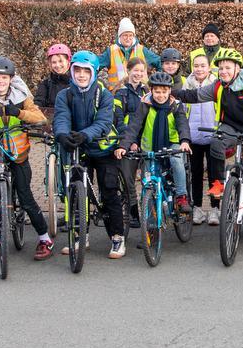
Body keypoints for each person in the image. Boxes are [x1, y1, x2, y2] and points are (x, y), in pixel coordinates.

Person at [173, 48, 243, 248]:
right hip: (230, 128)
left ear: (237, 69)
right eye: (221, 68)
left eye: (227, 68)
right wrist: (168, 92)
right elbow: (193, 95)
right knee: (216, 141)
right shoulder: (217, 87)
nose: (223, 71)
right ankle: (219, 183)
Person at [0, 56, 54, 262]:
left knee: (25, 196)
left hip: (18, 155)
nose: (0, 82)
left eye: (4, 78)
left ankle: (44, 238)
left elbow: (40, 118)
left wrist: (19, 112)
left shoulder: (21, 95)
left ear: (11, 79)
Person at [53, 51, 127, 259]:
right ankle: (80, 234)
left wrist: (86, 134)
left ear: (93, 73)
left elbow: (104, 122)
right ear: (72, 71)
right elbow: (61, 118)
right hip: (78, 147)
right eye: (78, 70)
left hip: (102, 147)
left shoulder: (104, 94)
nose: (82, 75)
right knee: (75, 194)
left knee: (109, 191)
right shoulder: (64, 95)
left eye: (86, 71)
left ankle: (117, 237)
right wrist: (62, 135)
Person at [115, 71, 193, 214]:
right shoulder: (144, 104)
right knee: (148, 178)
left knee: (176, 161)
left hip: (172, 144)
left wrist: (185, 141)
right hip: (149, 146)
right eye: (157, 91)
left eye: (164, 91)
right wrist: (123, 146)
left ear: (170, 90)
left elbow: (183, 124)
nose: (161, 95)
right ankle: (148, 210)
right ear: (151, 90)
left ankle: (181, 197)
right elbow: (134, 126)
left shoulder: (176, 105)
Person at [114, 57, 150, 228]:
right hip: (128, 143)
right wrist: (130, 142)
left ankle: (148, 210)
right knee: (128, 179)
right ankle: (133, 211)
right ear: (128, 71)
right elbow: (119, 121)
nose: (138, 74)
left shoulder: (148, 92)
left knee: (147, 179)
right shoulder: (120, 93)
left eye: (141, 71)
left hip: (146, 143)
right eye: (135, 70)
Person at [185, 53, 219, 226]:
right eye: (196, 65)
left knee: (215, 174)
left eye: (202, 65)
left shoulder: (216, 84)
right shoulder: (187, 84)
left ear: (209, 67)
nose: (199, 69)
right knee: (195, 174)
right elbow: (182, 111)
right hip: (193, 137)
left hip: (213, 136)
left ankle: (215, 208)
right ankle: (197, 207)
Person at [100, 16, 160, 91]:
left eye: (130, 35)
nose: (128, 38)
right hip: (117, 94)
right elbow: (96, 66)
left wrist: (157, 82)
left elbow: (159, 62)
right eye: (125, 35)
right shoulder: (111, 51)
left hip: (140, 93)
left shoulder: (142, 50)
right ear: (120, 36)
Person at [35, 43, 73, 111]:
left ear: (68, 61)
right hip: (50, 119)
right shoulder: (46, 84)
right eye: (54, 62)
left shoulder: (76, 83)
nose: (57, 65)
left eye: (60, 61)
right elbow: (39, 101)